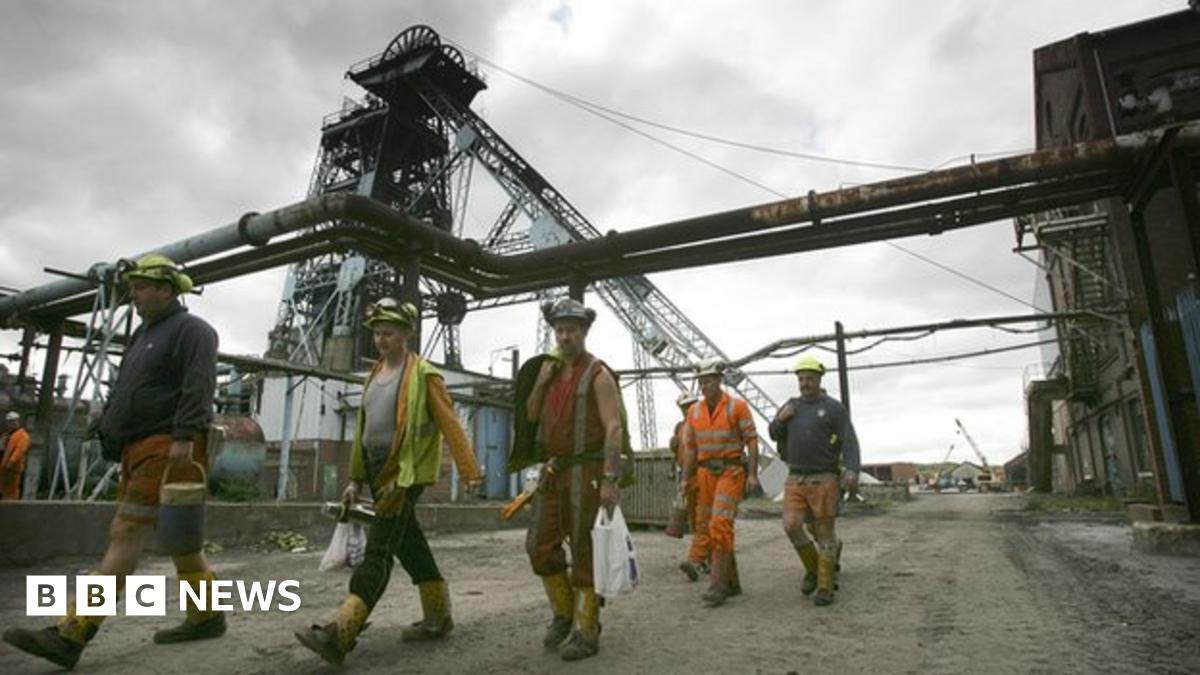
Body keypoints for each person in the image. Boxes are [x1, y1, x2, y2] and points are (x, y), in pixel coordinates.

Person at [4, 254, 222, 669]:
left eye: (141, 287)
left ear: (166, 288)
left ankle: (72, 633)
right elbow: (132, 387)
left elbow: (199, 385)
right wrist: (109, 421)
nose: (134, 295)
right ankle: (207, 615)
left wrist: (182, 437)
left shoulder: (193, 331)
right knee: (181, 541)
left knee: (126, 532)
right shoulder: (144, 335)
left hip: (166, 445)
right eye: (133, 287)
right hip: (136, 447)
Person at [295, 298, 484, 666]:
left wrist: (470, 470)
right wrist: (355, 480)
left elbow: (450, 424)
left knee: (379, 549)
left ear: (407, 334)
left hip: (404, 473)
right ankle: (438, 616)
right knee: (408, 542)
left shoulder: (425, 376)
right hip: (375, 467)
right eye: (378, 334)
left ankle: (340, 632)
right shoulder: (374, 374)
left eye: (389, 333)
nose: (381, 340)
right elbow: (364, 431)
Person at [521, 298, 626, 661]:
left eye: (571, 330)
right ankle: (564, 614)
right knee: (539, 546)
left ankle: (585, 627)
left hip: (588, 472)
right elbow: (532, 414)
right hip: (554, 471)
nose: (564, 336)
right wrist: (541, 383)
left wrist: (611, 478)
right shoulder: (548, 373)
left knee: (584, 548)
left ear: (584, 332)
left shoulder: (599, 374)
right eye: (559, 329)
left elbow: (614, 427)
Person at [768, 355, 860, 607]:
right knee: (792, 525)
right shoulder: (791, 406)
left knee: (823, 531)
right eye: (801, 379)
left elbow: (849, 441)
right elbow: (773, 433)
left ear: (819, 379)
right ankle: (814, 569)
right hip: (796, 476)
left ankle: (825, 587)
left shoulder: (833, 408)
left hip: (825, 475)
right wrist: (779, 420)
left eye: (809, 378)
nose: (804, 383)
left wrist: (852, 470)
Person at [680, 359, 759, 607]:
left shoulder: (737, 407)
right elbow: (690, 450)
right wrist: (685, 479)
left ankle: (718, 585)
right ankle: (732, 582)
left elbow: (752, 441)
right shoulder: (694, 413)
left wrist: (753, 474)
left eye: (710, 380)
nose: (705, 385)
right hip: (704, 474)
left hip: (731, 472)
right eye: (702, 381)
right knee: (706, 525)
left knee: (720, 524)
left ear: (719, 380)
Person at [669, 391, 701, 556]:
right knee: (693, 517)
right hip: (687, 476)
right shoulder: (680, 427)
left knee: (704, 517)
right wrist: (673, 446)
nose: (688, 409)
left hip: (703, 474)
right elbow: (679, 453)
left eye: (690, 405)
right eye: (685, 407)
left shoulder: (704, 423)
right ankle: (701, 555)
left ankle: (701, 556)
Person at [1, 411, 31, 500]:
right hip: (4, 469)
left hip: (13, 469)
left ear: (18, 422)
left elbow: (20, 450)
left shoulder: (23, 436)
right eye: (10, 422)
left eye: (14, 421)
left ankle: (12, 510)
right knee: (4, 491)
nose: (11, 423)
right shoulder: (7, 435)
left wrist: (11, 462)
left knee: (12, 492)